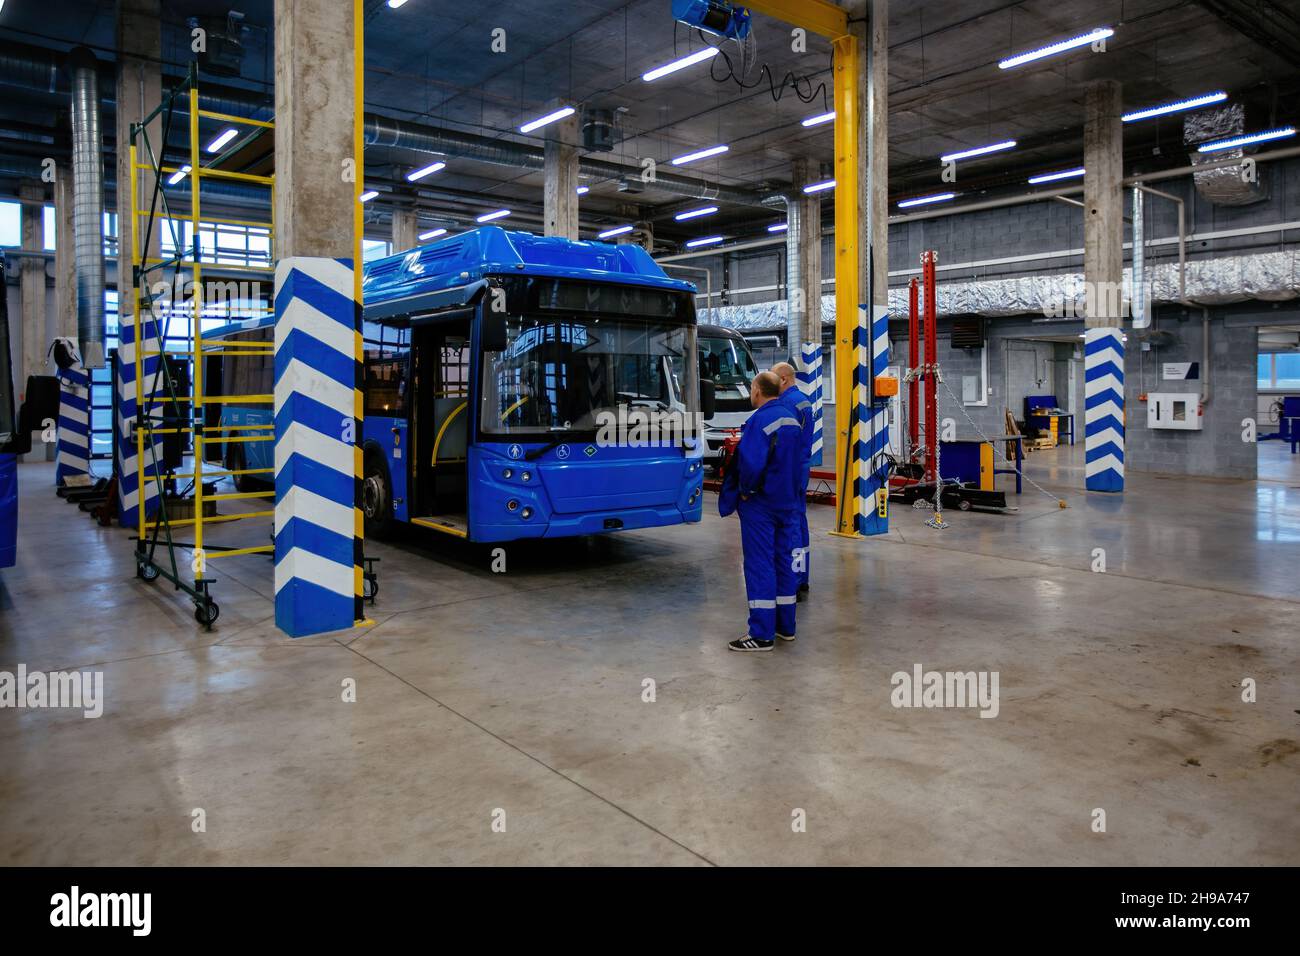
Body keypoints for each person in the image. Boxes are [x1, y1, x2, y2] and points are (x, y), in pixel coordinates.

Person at [717, 370, 804, 652]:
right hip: (788, 502)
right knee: (783, 561)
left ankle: (762, 634)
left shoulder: (759, 420)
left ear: (757, 390)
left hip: (761, 505)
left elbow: (752, 465)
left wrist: (745, 491)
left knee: (759, 564)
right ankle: (785, 627)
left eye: (752, 387)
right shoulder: (792, 418)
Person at [771, 361, 813, 602]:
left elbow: (780, 441)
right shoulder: (804, 400)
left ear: (784, 380)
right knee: (800, 518)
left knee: (789, 523)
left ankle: (793, 581)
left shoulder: (786, 403)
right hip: (802, 465)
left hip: (789, 469)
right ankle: (802, 575)